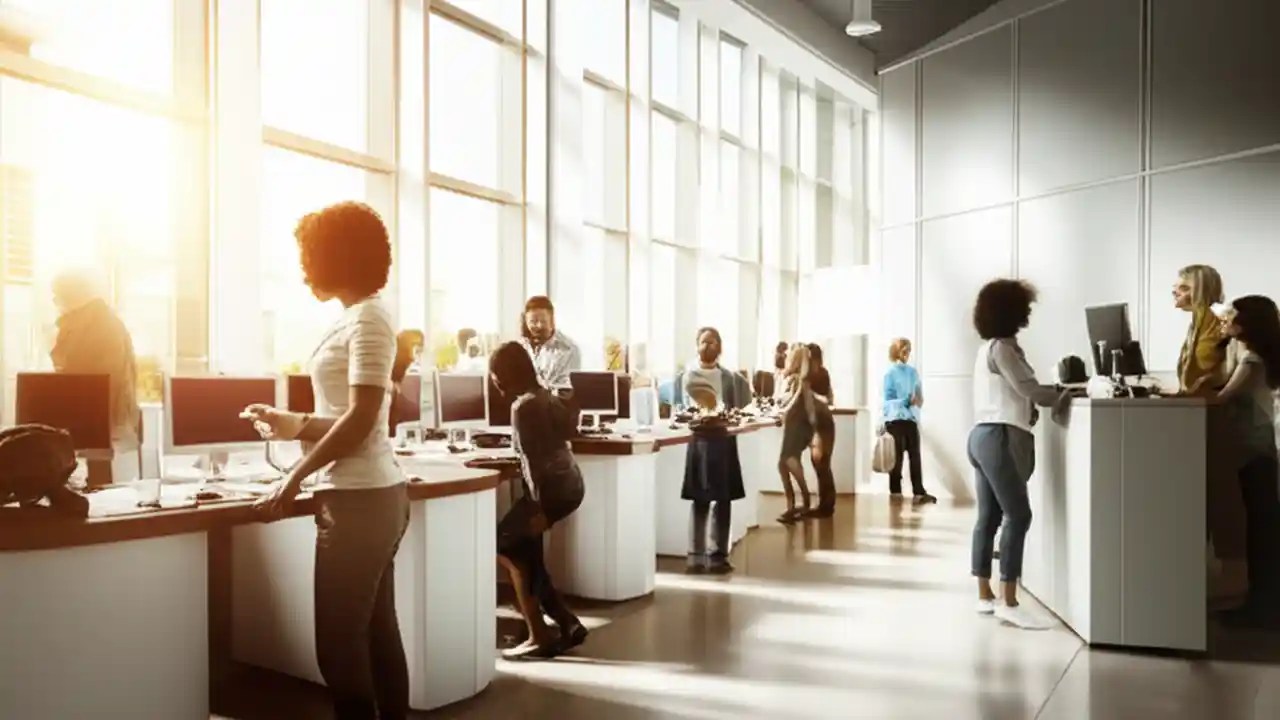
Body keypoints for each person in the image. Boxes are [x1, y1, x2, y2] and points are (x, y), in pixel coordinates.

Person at [241, 201, 410, 720]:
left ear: (336, 257)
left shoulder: (372, 320)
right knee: (376, 631)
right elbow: (348, 416)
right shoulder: (357, 318)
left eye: (309, 256)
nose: (302, 269)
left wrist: (293, 478)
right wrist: (294, 422)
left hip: (361, 501)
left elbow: (362, 419)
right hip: (365, 495)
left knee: (337, 646)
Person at [968, 279, 1069, 630]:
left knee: (988, 518)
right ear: (1011, 311)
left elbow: (1017, 394)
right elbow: (1027, 388)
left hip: (980, 435)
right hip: (998, 436)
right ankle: (1009, 601)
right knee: (1018, 515)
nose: (1027, 312)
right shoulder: (1005, 349)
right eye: (1024, 306)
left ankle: (985, 596)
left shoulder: (987, 348)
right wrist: (1062, 394)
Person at [488, 341, 587, 658]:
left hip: (551, 492)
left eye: (493, 373)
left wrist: (540, 510)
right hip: (570, 485)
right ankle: (565, 623)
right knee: (526, 552)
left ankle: (539, 635)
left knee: (506, 544)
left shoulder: (523, 406)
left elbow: (533, 462)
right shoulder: (544, 396)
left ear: (504, 374)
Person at [1202, 296, 1280, 628]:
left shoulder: (1252, 361)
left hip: (1256, 452)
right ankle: (1260, 602)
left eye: (1231, 316)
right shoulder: (1251, 356)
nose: (1225, 319)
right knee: (1261, 529)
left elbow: (1222, 398)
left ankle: (1264, 607)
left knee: (1262, 532)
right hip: (1256, 451)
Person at [50, 269, 141, 486]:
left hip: (97, 419)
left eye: (57, 295)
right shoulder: (102, 320)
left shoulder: (90, 325)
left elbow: (84, 376)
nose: (54, 301)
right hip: (106, 421)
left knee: (100, 487)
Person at [677, 327, 751, 573]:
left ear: (720, 347)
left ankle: (719, 555)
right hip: (699, 442)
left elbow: (741, 405)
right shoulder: (687, 377)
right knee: (699, 500)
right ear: (696, 346)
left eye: (713, 342)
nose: (708, 346)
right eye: (703, 342)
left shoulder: (730, 378)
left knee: (724, 500)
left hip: (724, 441)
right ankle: (696, 556)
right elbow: (681, 409)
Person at [882, 338, 936, 505]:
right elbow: (887, 400)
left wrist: (917, 400)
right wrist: (905, 401)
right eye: (904, 351)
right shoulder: (890, 374)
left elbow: (919, 395)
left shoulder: (913, 373)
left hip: (910, 419)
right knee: (896, 459)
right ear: (897, 351)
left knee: (915, 456)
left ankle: (919, 491)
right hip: (895, 420)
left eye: (909, 351)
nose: (907, 354)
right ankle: (895, 492)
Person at [1174, 264, 1235, 394]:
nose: (1175, 292)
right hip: (1196, 403)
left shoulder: (1222, 320)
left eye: (1184, 288)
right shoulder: (1196, 323)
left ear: (1202, 291)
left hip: (1217, 404)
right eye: (1175, 287)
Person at [777, 344, 816, 524]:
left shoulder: (801, 381)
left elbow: (801, 402)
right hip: (794, 424)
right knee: (784, 464)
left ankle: (802, 502)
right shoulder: (793, 379)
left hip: (799, 426)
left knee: (789, 462)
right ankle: (793, 504)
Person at [518, 296, 581, 388]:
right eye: (533, 321)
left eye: (543, 321)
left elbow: (567, 389)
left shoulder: (568, 349)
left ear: (552, 320)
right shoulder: (519, 347)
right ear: (526, 322)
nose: (539, 326)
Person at [804, 343, 837, 517]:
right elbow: (830, 398)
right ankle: (826, 503)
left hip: (820, 421)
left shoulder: (812, 375)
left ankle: (825, 505)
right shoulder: (822, 372)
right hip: (824, 420)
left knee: (821, 463)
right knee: (823, 464)